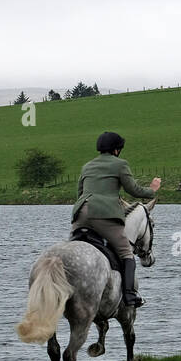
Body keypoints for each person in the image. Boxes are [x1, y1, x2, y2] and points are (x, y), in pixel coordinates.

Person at [72, 131, 161, 307]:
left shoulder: (87, 166)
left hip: (81, 213)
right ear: (117, 150)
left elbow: (79, 193)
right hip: (103, 214)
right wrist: (152, 189)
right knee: (126, 253)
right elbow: (133, 190)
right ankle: (130, 296)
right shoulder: (120, 164)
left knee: (74, 249)